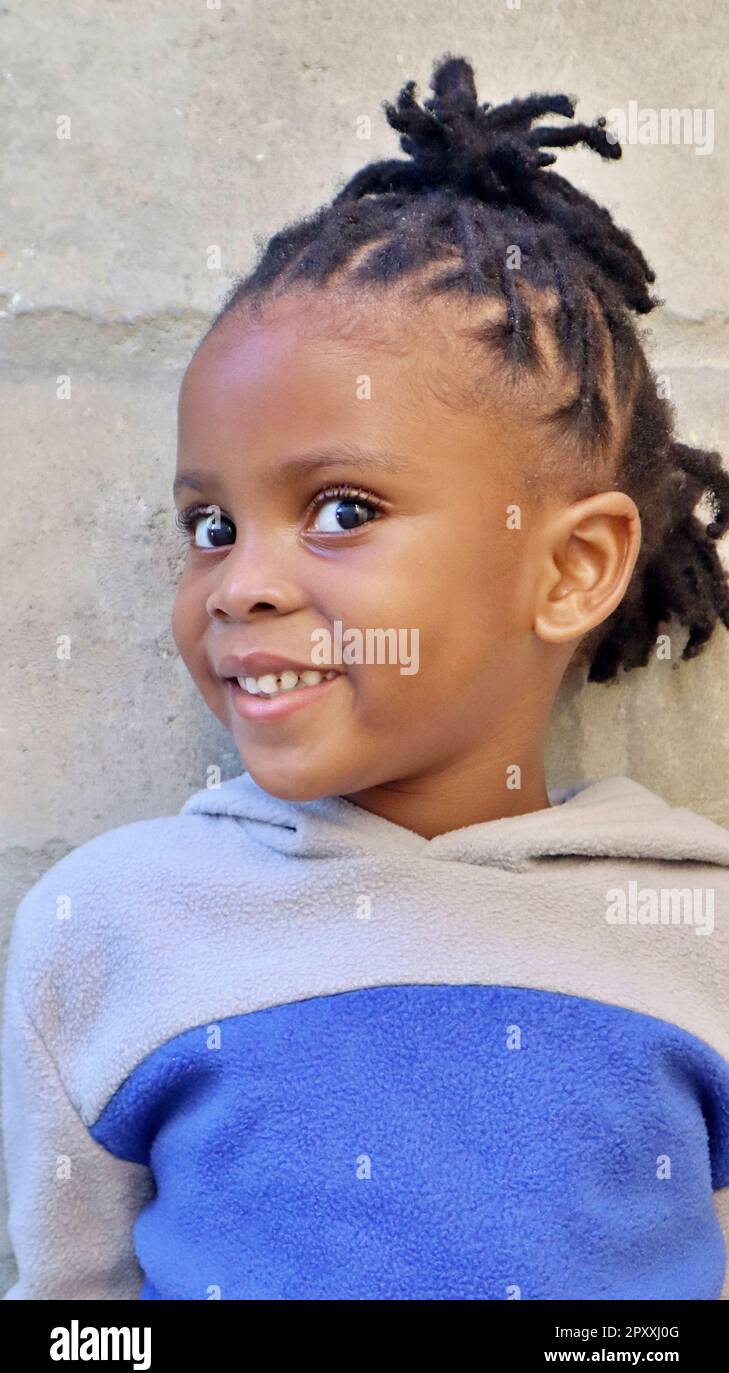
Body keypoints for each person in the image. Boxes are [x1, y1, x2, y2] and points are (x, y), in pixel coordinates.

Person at [4, 53, 729, 1300]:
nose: (239, 584)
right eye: (211, 526)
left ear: (571, 569)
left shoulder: (694, 932)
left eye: (341, 508)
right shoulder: (109, 930)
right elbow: (74, 1316)